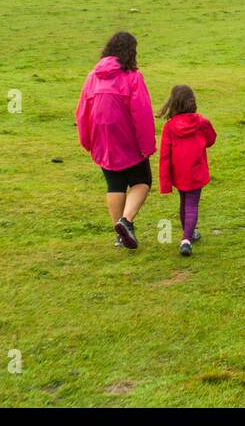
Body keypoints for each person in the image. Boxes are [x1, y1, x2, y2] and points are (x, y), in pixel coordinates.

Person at [75, 31, 156, 249]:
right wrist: (147, 145)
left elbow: (82, 111)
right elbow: (142, 113)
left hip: (102, 141)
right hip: (127, 139)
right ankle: (126, 221)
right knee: (142, 182)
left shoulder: (92, 76)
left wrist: (86, 140)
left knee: (115, 184)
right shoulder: (133, 77)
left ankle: (120, 236)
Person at [158, 85, 217, 258]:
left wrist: (165, 182)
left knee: (184, 203)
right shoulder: (201, 122)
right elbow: (211, 139)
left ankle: (188, 234)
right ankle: (186, 239)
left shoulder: (169, 128)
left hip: (179, 173)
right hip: (196, 171)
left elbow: (165, 156)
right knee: (191, 204)